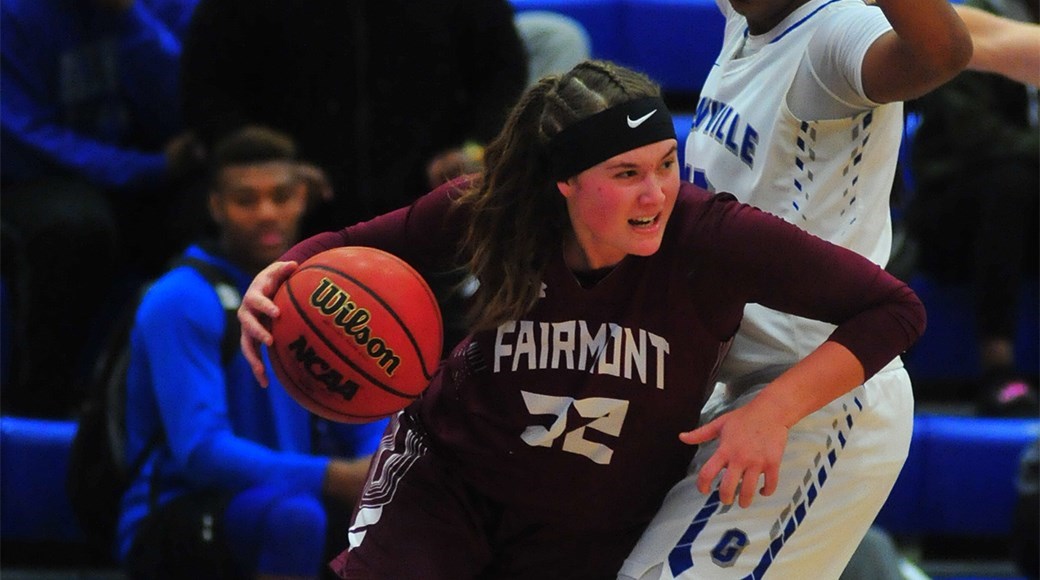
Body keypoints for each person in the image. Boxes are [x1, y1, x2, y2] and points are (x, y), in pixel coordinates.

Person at [236, 59, 925, 579]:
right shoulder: (486, 211)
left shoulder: (712, 237)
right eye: (626, 174)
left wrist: (774, 408)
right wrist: (280, 276)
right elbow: (337, 250)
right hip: (449, 484)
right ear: (562, 182)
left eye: (665, 163)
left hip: (593, 522)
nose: (656, 193)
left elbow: (893, 308)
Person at [619, 0, 972, 578]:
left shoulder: (832, 34)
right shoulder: (743, 20)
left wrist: (778, 409)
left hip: (817, 391)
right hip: (735, 390)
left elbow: (944, 53)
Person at [116, 126, 385, 579]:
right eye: (246, 200)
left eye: (281, 196)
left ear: (303, 196)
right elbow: (200, 453)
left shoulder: (331, 294)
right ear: (215, 206)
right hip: (180, 509)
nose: (267, 213)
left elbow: (368, 409)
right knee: (297, 517)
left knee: (408, 514)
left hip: (295, 493)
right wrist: (334, 476)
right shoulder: (180, 298)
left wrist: (374, 467)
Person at [0, 0, 204, 417]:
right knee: (73, 226)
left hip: (137, 167)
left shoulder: (159, 9)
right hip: (31, 179)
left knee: (218, 213)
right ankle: (41, 404)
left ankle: (196, 400)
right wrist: (146, 168)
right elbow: (22, 142)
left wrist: (131, 21)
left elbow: (188, 108)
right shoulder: (14, 15)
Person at [908, 0, 1039, 417]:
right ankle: (998, 369)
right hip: (954, 211)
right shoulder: (961, 23)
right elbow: (978, 140)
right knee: (1010, 181)